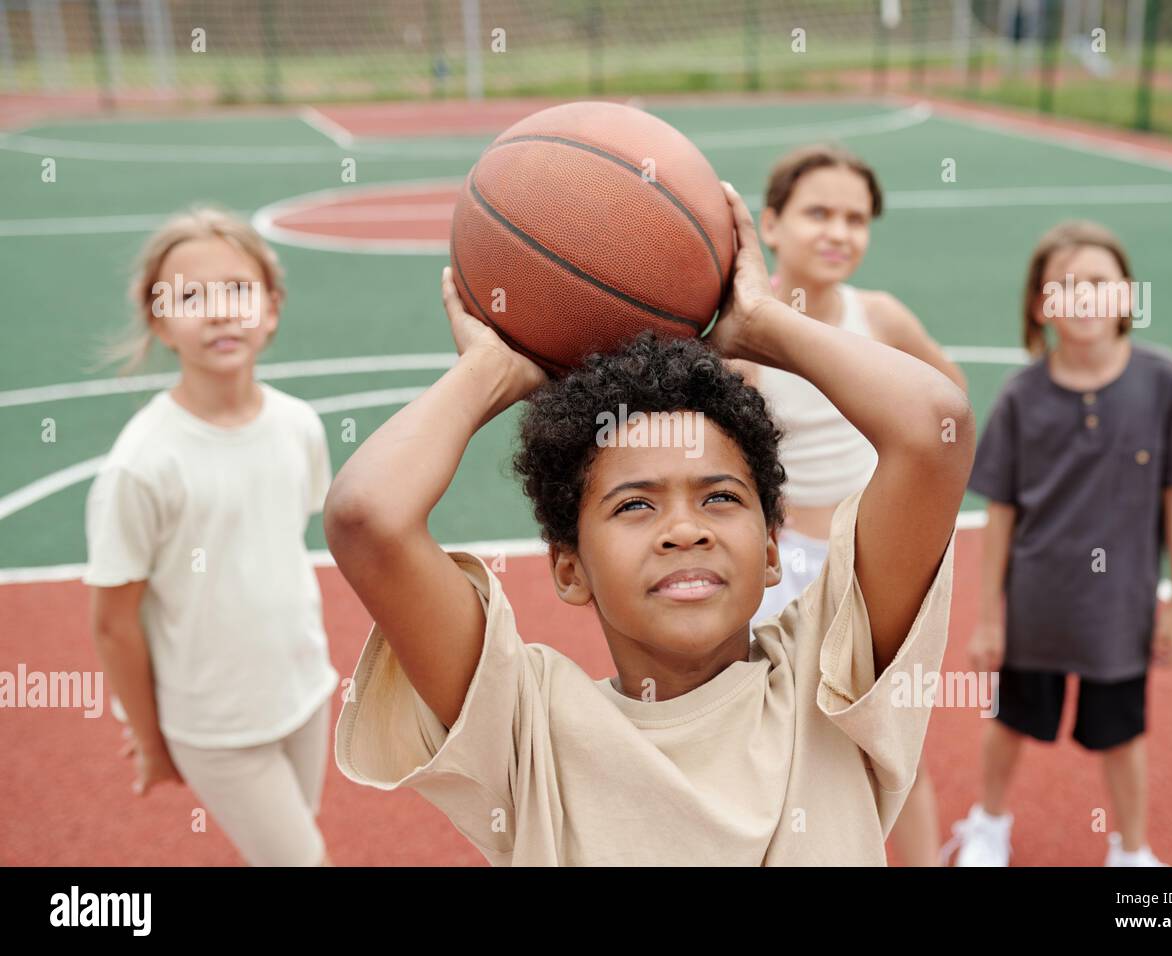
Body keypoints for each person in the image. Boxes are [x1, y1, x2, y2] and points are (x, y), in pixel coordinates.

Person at [326, 182, 973, 865]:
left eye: (720, 497)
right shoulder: (527, 726)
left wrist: (760, 322)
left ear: (774, 552)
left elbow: (937, 430)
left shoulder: (831, 682)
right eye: (635, 505)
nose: (685, 530)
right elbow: (369, 518)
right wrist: (490, 370)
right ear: (569, 569)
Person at [730, 145, 968, 866]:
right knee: (773, 747)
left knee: (897, 745)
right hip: (778, 574)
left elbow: (948, 410)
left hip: (871, 571)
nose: (838, 231)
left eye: (856, 218)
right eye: (818, 213)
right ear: (769, 225)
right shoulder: (740, 338)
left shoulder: (882, 318)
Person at [84, 208, 338, 867]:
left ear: (272, 308)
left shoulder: (300, 427)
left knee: (288, 847)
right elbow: (114, 622)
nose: (220, 311)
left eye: (238, 290)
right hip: (217, 725)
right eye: (190, 296)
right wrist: (150, 739)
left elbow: (275, 547)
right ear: (160, 320)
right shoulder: (142, 466)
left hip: (304, 691)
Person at [944, 220, 1172, 867]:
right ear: (1039, 305)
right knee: (1010, 725)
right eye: (1063, 285)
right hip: (1038, 605)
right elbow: (1000, 513)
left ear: (1126, 295)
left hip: (1121, 608)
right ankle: (990, 824)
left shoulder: (1163, 382)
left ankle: (1132, 850)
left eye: (1096, 282)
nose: (1081, 297)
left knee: (1123, 736)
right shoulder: (1023, 396)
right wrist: (988, 618)